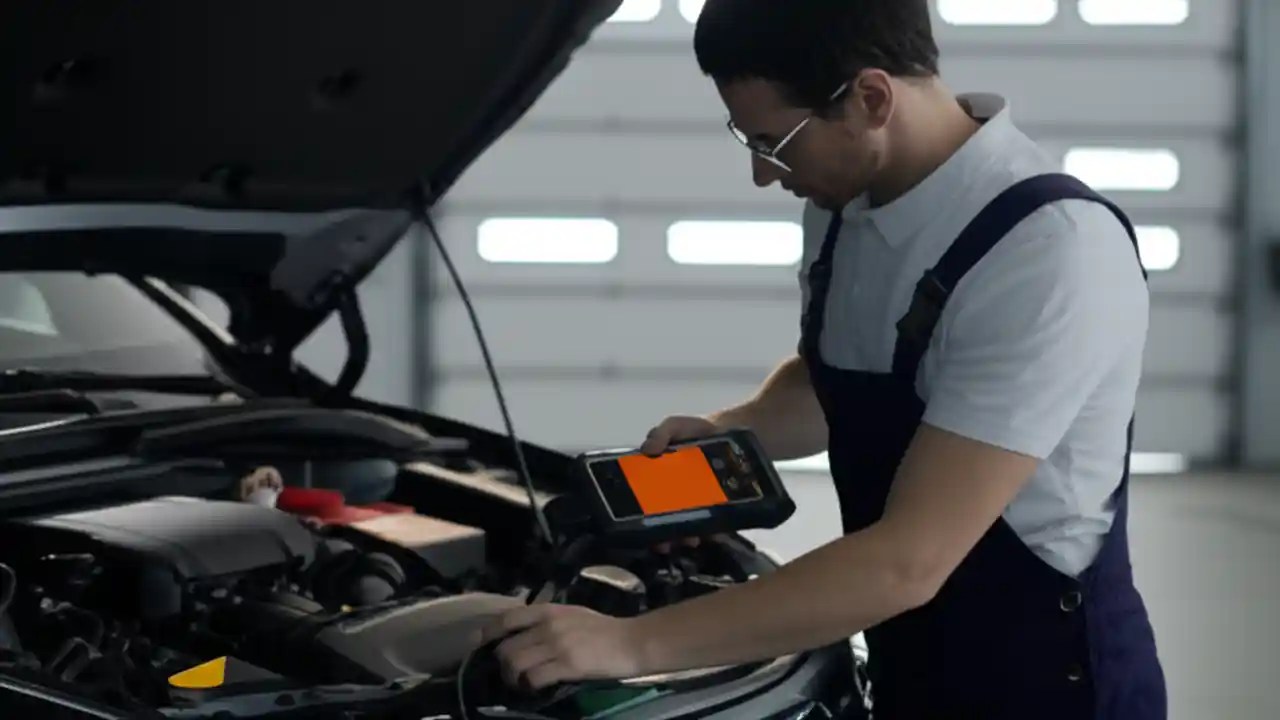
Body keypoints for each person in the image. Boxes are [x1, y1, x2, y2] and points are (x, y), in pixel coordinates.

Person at [477, 1, 1167, 717]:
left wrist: (628, 645)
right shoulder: (848, 202)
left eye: (775, 142)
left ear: (870, 99)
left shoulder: (1047, 253)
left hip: (1040, 683)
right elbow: (838, 375)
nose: (761, 174)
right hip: (911, 660)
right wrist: (734, 429)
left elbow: (909, 559)